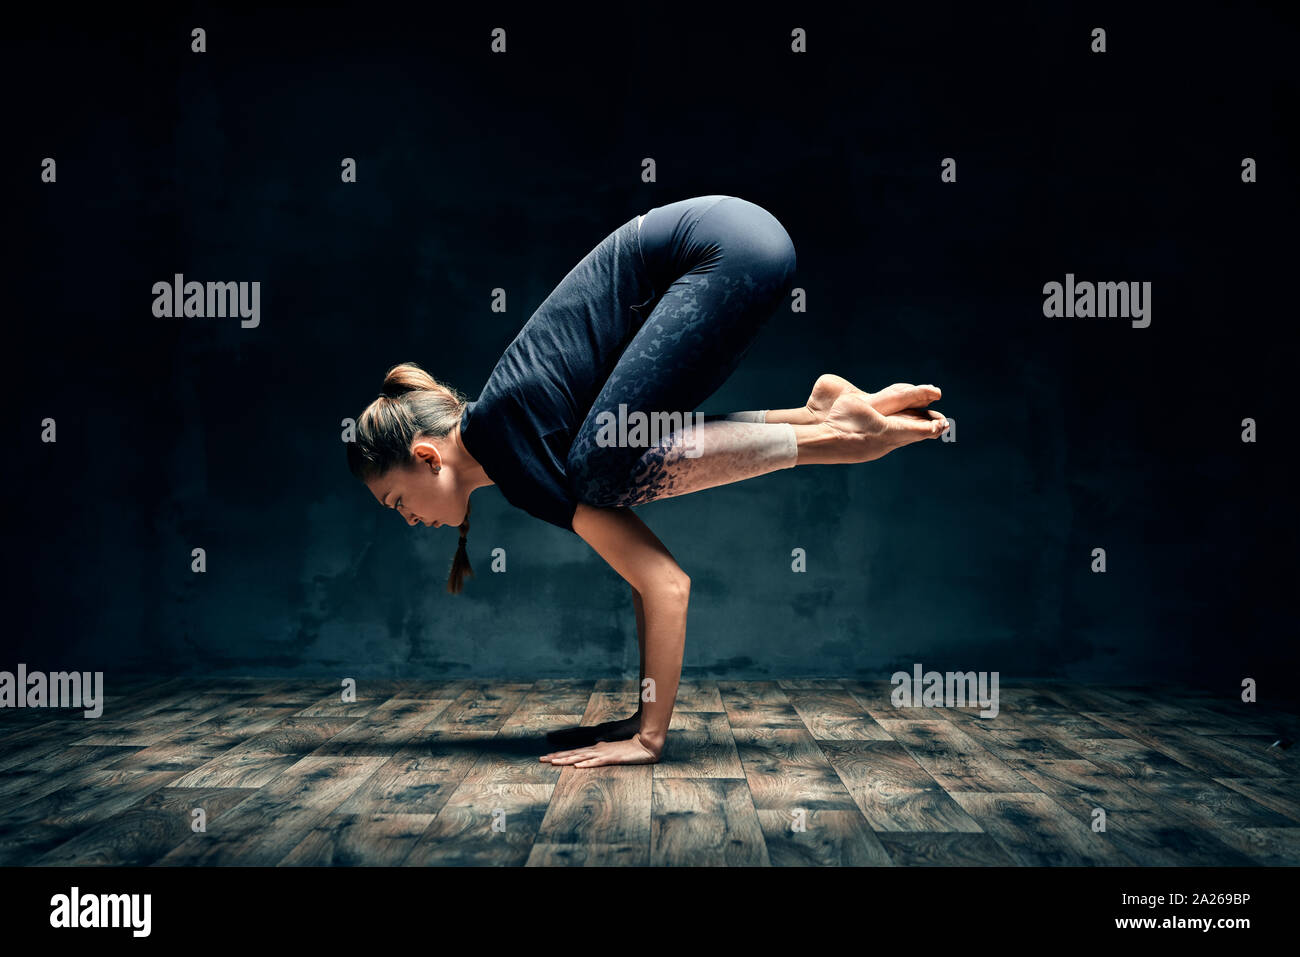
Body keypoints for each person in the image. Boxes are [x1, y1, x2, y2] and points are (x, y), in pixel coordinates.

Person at [346, 195, 948, 768]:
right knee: (605, 460)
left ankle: (836, 435)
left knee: (598, 470)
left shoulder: (511, 447)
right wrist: (642, 716)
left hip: (721, 250)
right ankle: (819, 418)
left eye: (396, 500)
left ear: (427, 457)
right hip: (736, 240)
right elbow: (644, 573)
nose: (407, 519)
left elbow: (667, 584)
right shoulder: (518, 445)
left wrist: (650, 739)